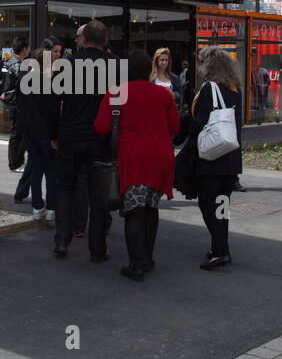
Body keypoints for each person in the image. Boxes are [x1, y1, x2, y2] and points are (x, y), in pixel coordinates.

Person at [94, 49, 179, 280]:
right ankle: (148, 258)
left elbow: (101, 127)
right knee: (151, 208)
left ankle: (137, 264)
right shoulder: (164, 95)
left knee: (134, 211)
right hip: (161, 157)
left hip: (133, 158)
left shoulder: (117, 93)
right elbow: (175, 128)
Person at [53, 20, 115, 261]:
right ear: (105, 41)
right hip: (101, 137)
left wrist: (53, 134)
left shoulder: (67, 64)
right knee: (99, 195)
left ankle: (61, 240)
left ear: (83, 39)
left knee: (65, 188)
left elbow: (53, 100)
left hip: (70, 134)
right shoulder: (116, 66)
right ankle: (97, 249)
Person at [185, 46, 243, 270]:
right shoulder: (235, 88)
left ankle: (220, 251)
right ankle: (221, 248)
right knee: (222, 205)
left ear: (207, 65)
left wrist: (188, 132)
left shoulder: (209, 88)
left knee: (207, 202)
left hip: (212, 158)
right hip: (231, 158)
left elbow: (199, 122)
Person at [16, 49, 60, 222]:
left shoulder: (22, 81)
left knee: (35, 168)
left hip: (29, 132)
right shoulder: (48, 83)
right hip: (46, 132)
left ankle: (37, 206)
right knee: (50, 170)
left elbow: (20, 107)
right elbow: (54, 111)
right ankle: (50, 207)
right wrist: (56, 135)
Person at [2, 37, 32, 200]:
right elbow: (20, 84)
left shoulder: (13, 62)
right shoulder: (17, 64)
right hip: (17, 103)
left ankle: (17, 161)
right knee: (17, 132)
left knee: (17, 132)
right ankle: (15, 162)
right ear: (24, 49)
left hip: (14, 103)